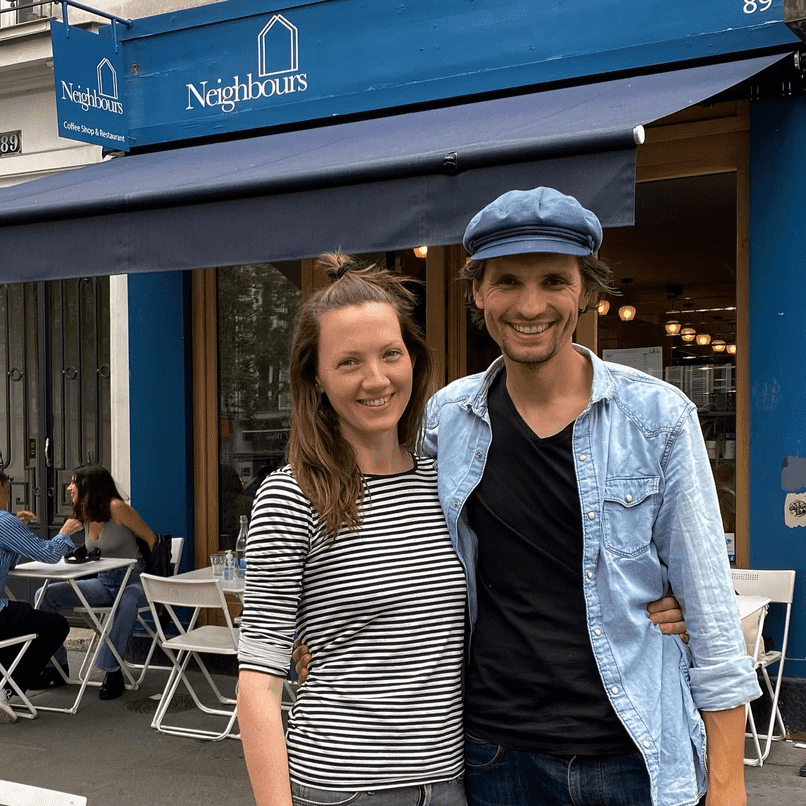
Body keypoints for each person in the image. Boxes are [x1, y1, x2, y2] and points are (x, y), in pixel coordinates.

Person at [240, 252, 685, 806]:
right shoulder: (294, 493)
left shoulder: (445, 475)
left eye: (390, 354)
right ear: (315, 377)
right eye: (348, 362)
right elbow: (257, 680)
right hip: (344, 789)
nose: (375, 379)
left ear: (413, 359)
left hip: (456, 781)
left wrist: (660, 601)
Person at [421, 187, 759, 806]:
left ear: (586, 291)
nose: (531, 305)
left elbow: (710, 616)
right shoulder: (448, 420)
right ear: (478, 292)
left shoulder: (658, 418)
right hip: (494, 754)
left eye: (554, 280)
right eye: (507, 282)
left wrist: (727, 786)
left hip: (629, 757)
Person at [35, 464, 156, 700]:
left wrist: (156, 581)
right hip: (103, 583)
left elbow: (152, 540)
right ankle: (56, 666)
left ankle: (112, 671)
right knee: (44, 593)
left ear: (89, 486)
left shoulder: (117, 508)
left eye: (74, 482)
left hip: (133, 581)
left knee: (128, 602)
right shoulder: (87, 514)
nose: (69, 487)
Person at [0, 469, 82, 723]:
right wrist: (65, 533)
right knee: (55, 625)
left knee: (23, 612)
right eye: (6, 485)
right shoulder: (3, 521)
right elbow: (47, 554)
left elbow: (7, 562)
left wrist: (17, 531)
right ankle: (6, 689)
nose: (9, 490)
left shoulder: (7, 523)